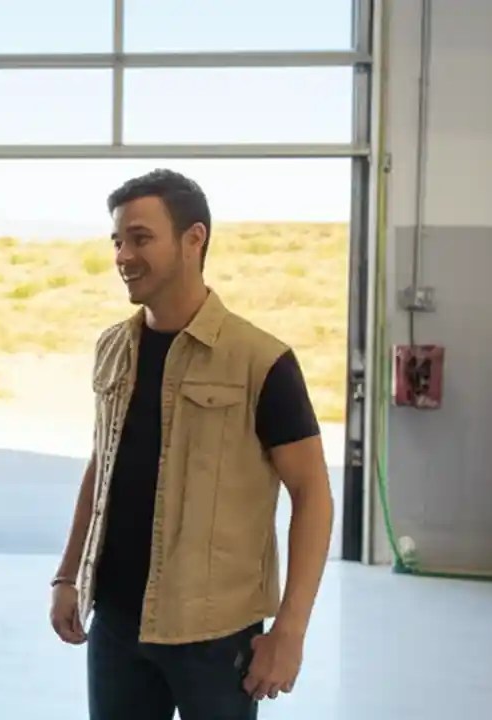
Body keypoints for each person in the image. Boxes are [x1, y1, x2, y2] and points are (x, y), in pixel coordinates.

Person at [48, 169, 334, 719]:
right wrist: (69, 575)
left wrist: (290, 632)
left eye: (140, 237)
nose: (123, 255)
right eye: (117, 240)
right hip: (115, 625)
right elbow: (101, 466)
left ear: (193, 239)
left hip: (216, 635)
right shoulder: (113, 348)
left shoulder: (260, 360)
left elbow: (312, 493)